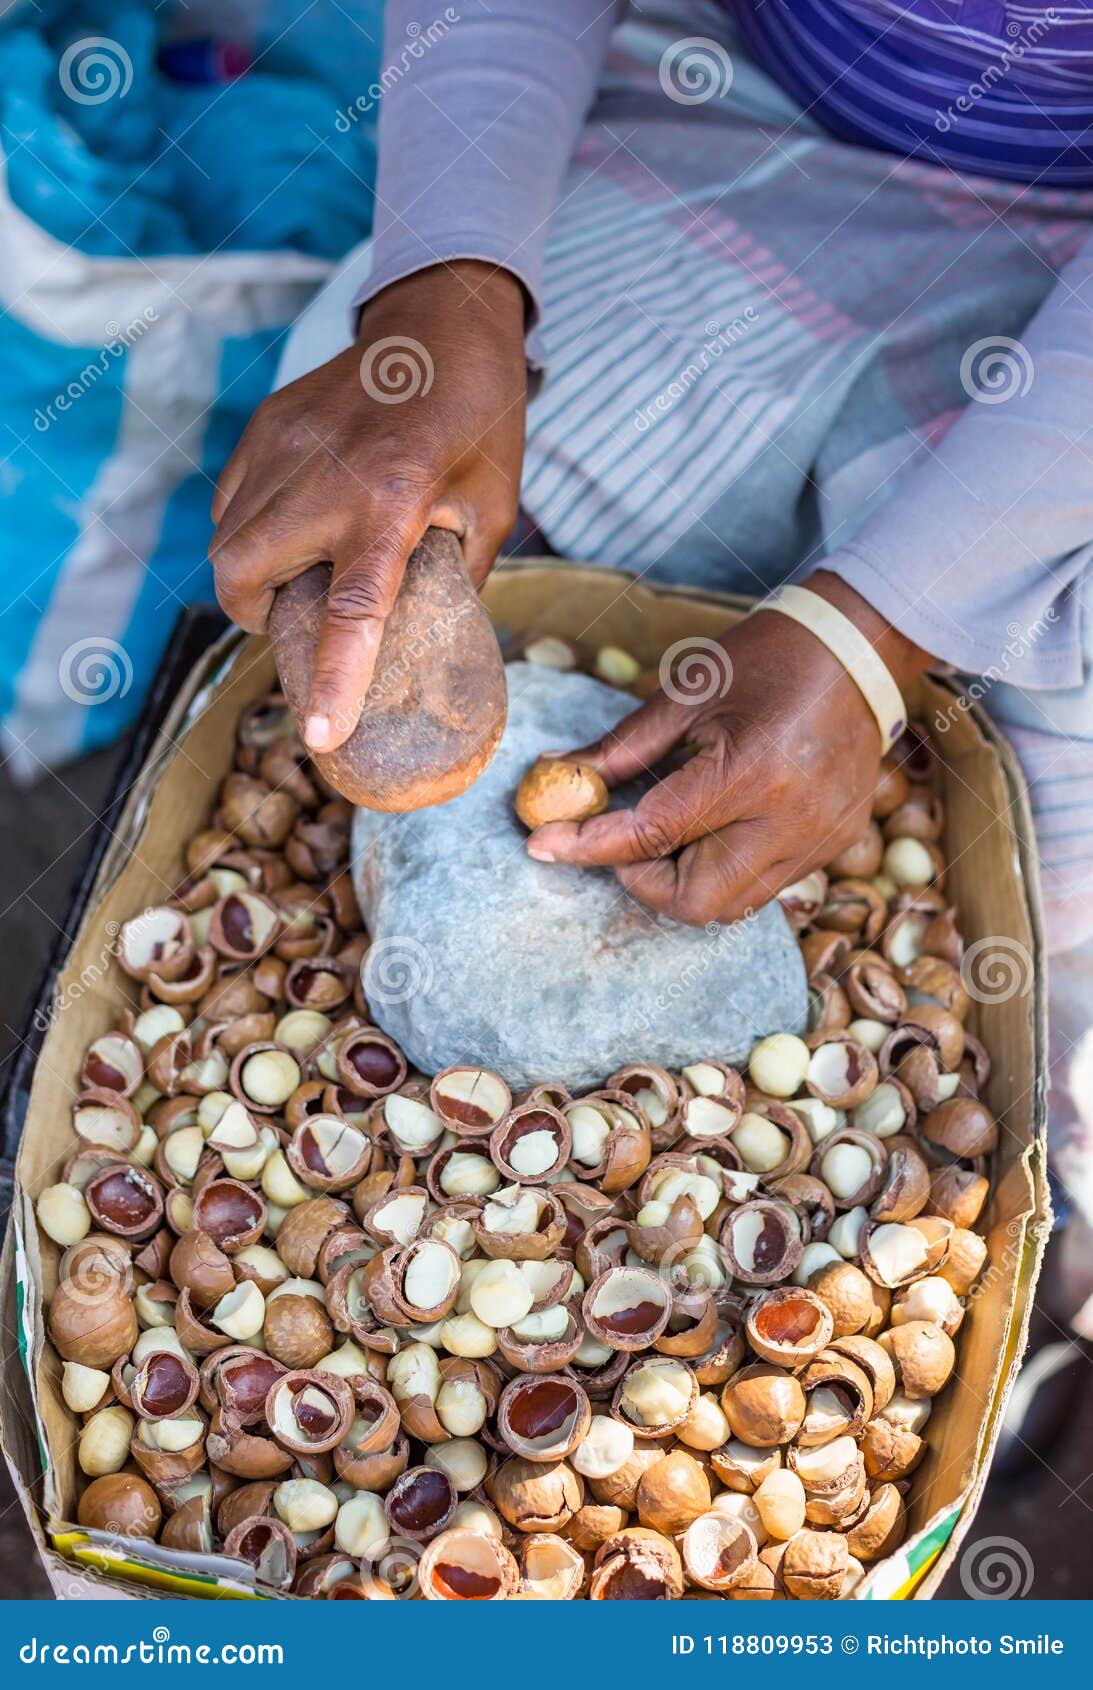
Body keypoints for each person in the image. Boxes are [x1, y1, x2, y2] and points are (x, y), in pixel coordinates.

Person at [211, 1, 1093, 1325]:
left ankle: (1029, 1282)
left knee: (1066, 987)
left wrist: (875, 631)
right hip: (726, 118)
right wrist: (448, 295)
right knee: (375, 471)